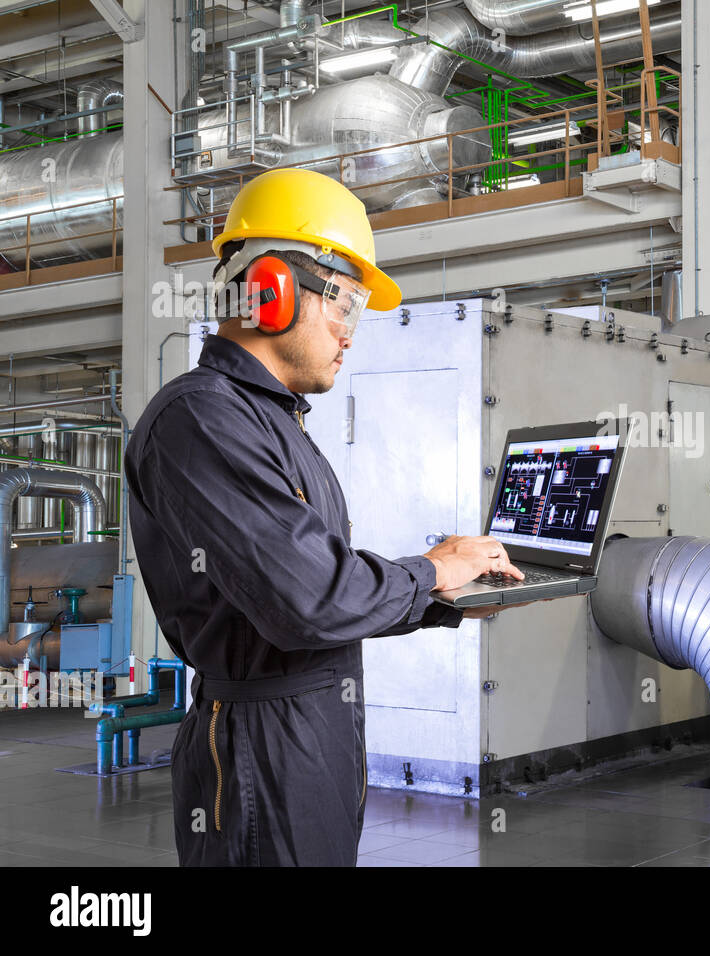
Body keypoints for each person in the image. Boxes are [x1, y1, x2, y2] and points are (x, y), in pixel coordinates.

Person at [125, 168, 526, 866]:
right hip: (259, 753)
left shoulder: (272, 422)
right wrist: (430, 571)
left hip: (310, 736)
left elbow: (313, 579)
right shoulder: (203, 419)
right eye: (343, 305)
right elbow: (307, 601)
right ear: (272, 292)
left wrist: (440, 598)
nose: (351, 333)